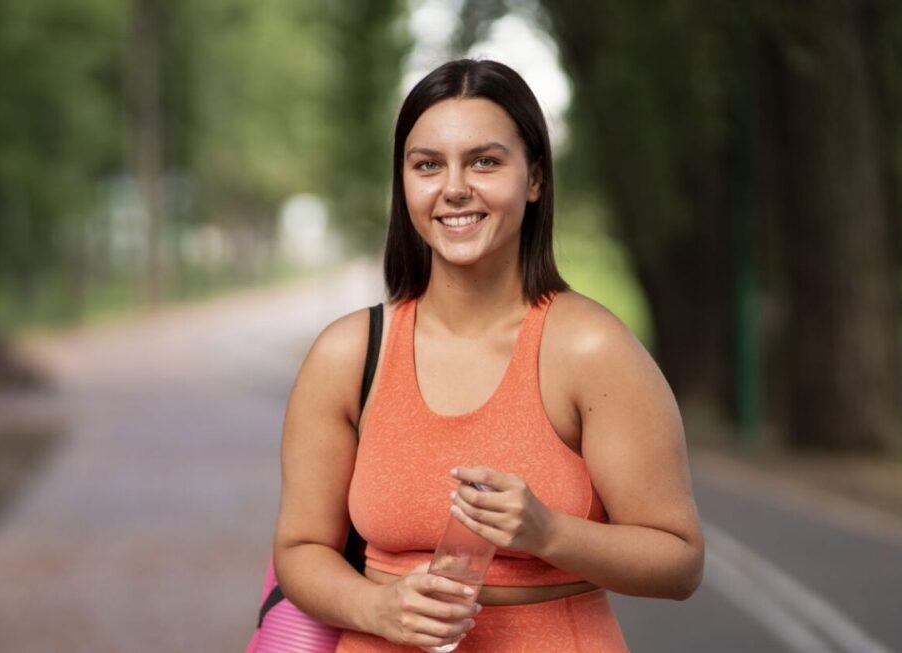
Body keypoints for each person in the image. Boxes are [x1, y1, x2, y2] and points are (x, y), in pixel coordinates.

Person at [271, 59, 704, 652]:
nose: (454, 187)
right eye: (428, 165)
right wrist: (375, 607)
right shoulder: (348, 355)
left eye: (485, 161)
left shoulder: (589, 349)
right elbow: (300, 549)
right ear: (404, 182)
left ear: (534, 179)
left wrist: (547, 531)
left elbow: (679, 561)